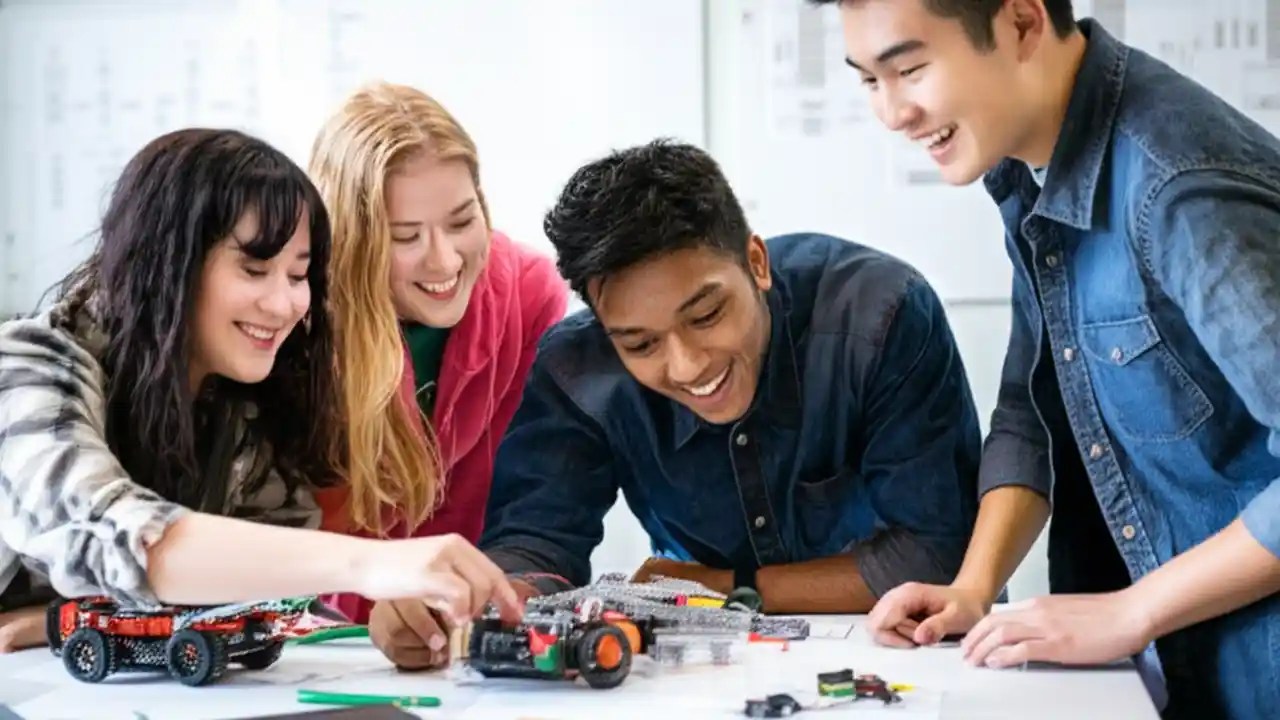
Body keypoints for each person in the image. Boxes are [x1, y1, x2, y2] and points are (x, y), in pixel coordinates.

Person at [819, 0, 1280, 717]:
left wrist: (1130, 611)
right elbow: (1031, 406)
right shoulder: (1029, 167)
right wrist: (972, 589)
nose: (892, 113)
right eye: (868, 81)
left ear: (1024, 23)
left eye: (909, 69)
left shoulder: (1177, 190)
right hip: (1169, 668)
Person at [0, 128, 521, 654]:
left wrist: (379, 629)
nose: (284, 304)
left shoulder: (241, 403)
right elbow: (102, 528)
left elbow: (262, 603)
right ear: (165, 263)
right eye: (254, 270)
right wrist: (371, 565)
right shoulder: (27, 367)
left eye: (298, 275)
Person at [480, 139, 981, 619]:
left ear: (756, 263)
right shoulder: (577, 368)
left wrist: (723, 588)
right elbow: (535, 541)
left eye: (706, 316)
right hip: (707, 666)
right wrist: (507, 600)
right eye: (641, 345)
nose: (687, 366)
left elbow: (938, 556)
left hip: (911, 649)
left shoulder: (880, 314)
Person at [306, 82, 567, 668]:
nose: (444, 260)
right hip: (323, 645)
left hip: (476, 634)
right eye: (406, 237)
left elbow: (535, 502)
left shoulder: (529, 296)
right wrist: (379, 603)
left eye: (461, 221)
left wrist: (484, 601)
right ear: (351, 238)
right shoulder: (297, 323)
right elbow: (291, 530)